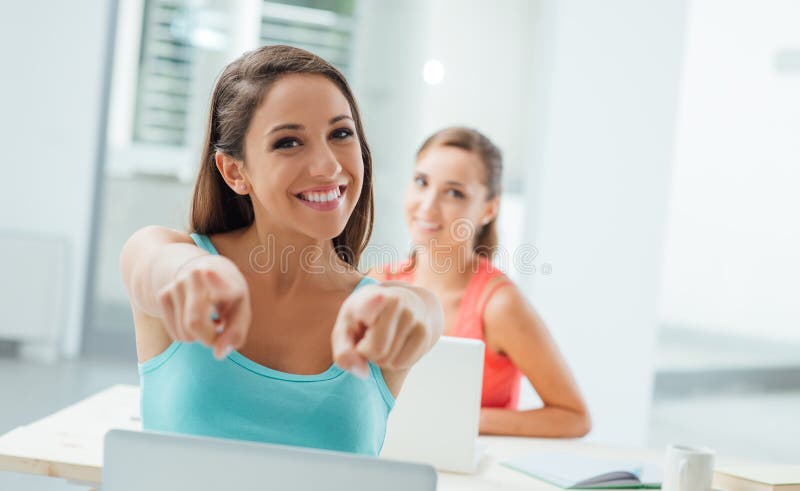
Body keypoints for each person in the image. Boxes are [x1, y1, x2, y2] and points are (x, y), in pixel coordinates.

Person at [119, 45, 443, 456]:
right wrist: (190, 274)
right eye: (289, 142)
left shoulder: (379, 312)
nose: (327, 165)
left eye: (341, 134)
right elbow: (153, 265)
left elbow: (423, 311)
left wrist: (413, 309)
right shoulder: (167, 253)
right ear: (235, 171)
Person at [376, 127, 590, 437]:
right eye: (421, 182)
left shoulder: (498, 305)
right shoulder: (377, 284)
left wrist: (457, 420)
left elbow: (574, 417)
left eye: (454, 192)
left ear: (489, 209)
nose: (427, 205)